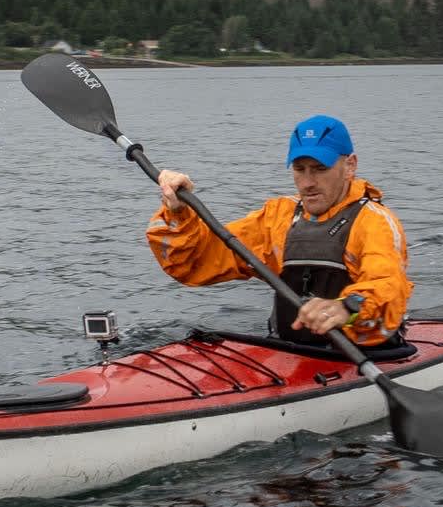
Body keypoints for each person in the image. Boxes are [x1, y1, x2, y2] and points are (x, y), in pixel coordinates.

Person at [146, 113, 413, 349]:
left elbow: (387, 285)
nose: (308, 182)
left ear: (350, 166)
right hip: (289, 354)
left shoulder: (374, 222)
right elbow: (194, 264)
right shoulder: (277, 220)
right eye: (299, 169)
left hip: (365, 355)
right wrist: (179, 212)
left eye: (320, 169)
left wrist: (347, 307)